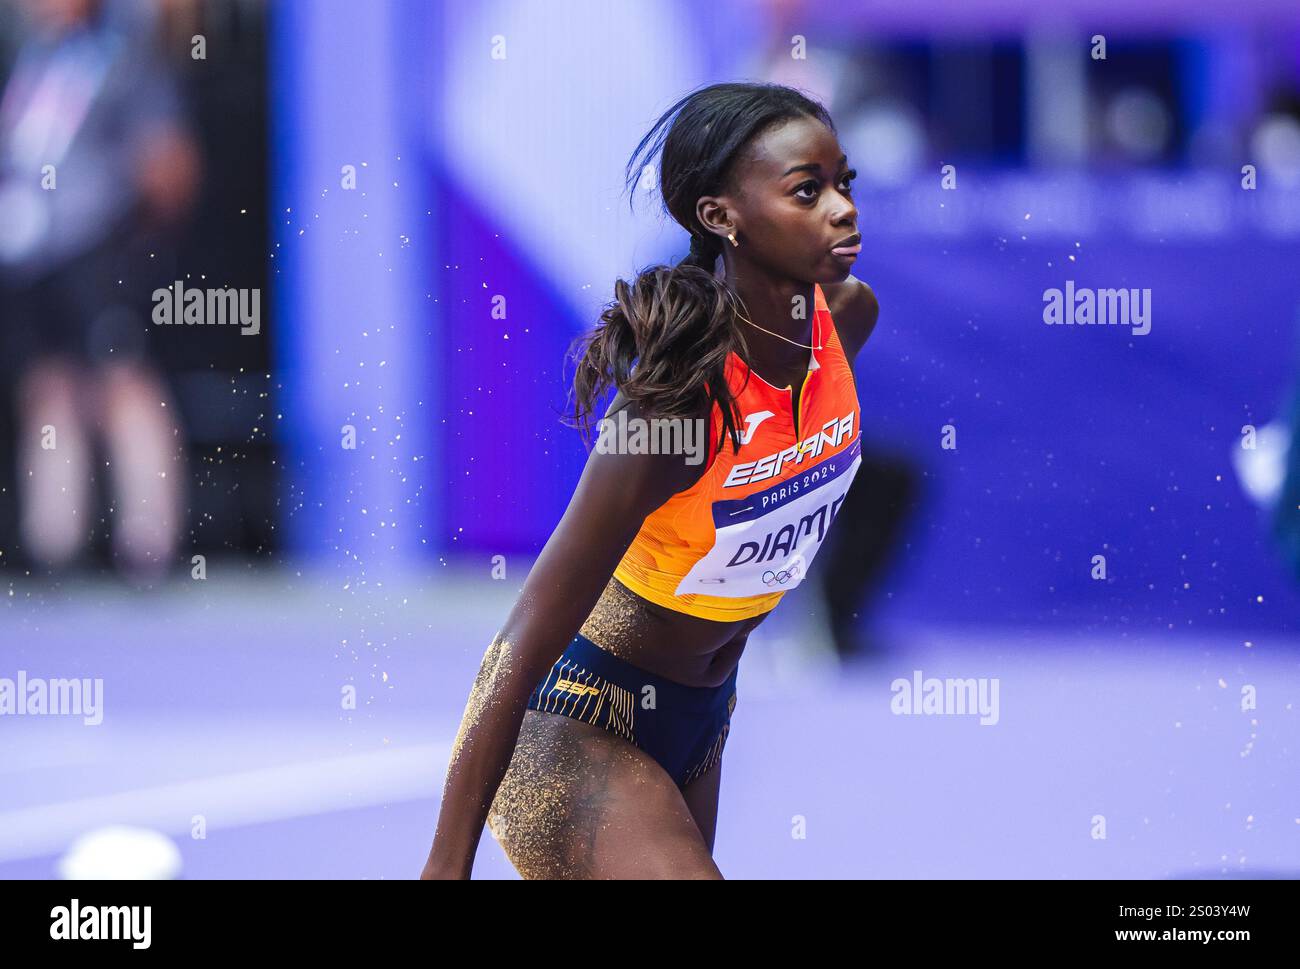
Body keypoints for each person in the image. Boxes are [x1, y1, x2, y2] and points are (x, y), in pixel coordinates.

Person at [421, 82, 879, 880]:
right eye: (808, 191)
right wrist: (444, 866)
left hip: (703, 721)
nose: (843, 209)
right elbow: (519, 641)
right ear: (721, 216)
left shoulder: (847, 319)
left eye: (845, 183)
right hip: (576, 723)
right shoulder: (671, 414)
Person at [0, 0, 199, 577]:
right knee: (47, 386)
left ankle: (148, 541)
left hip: (98, 247)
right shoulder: (32, 60)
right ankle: (53, 544)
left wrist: (136, 239)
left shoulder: (125, 60)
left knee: (122, 380)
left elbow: (168, 159)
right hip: (32, 253)